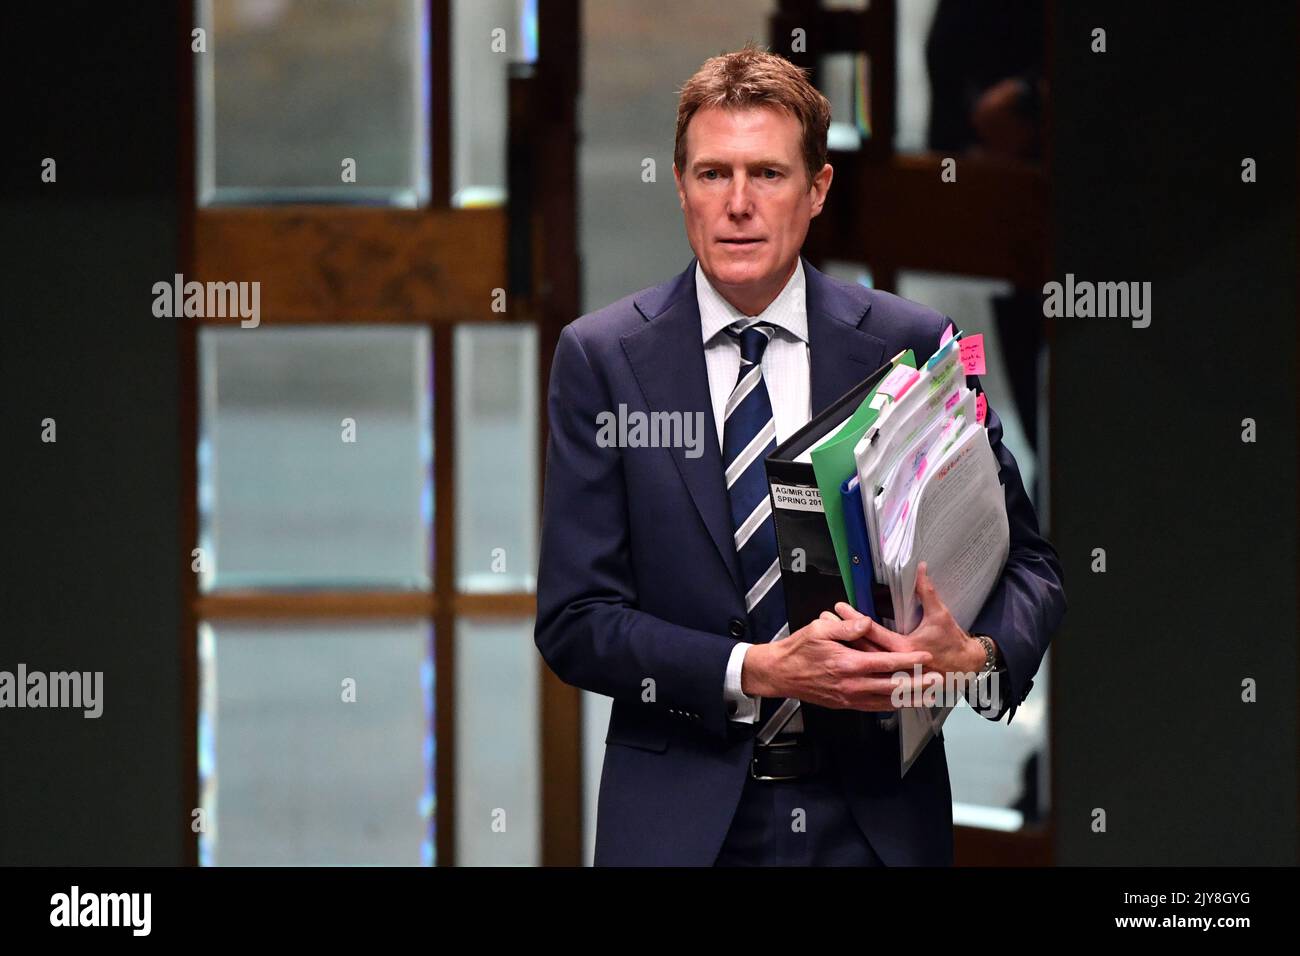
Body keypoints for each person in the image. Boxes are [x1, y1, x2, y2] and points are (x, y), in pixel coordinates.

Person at [534, 45, 1065, 866]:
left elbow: (1031, 563)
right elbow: (577, 621)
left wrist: (977, 656)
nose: (738, 204)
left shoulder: (911, 347)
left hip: (875, 825)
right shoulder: (602, 359)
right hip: (681, 829)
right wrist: (760, 669)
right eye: (713, 174)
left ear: (817, 189)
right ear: (680, 186)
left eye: (768, 175)